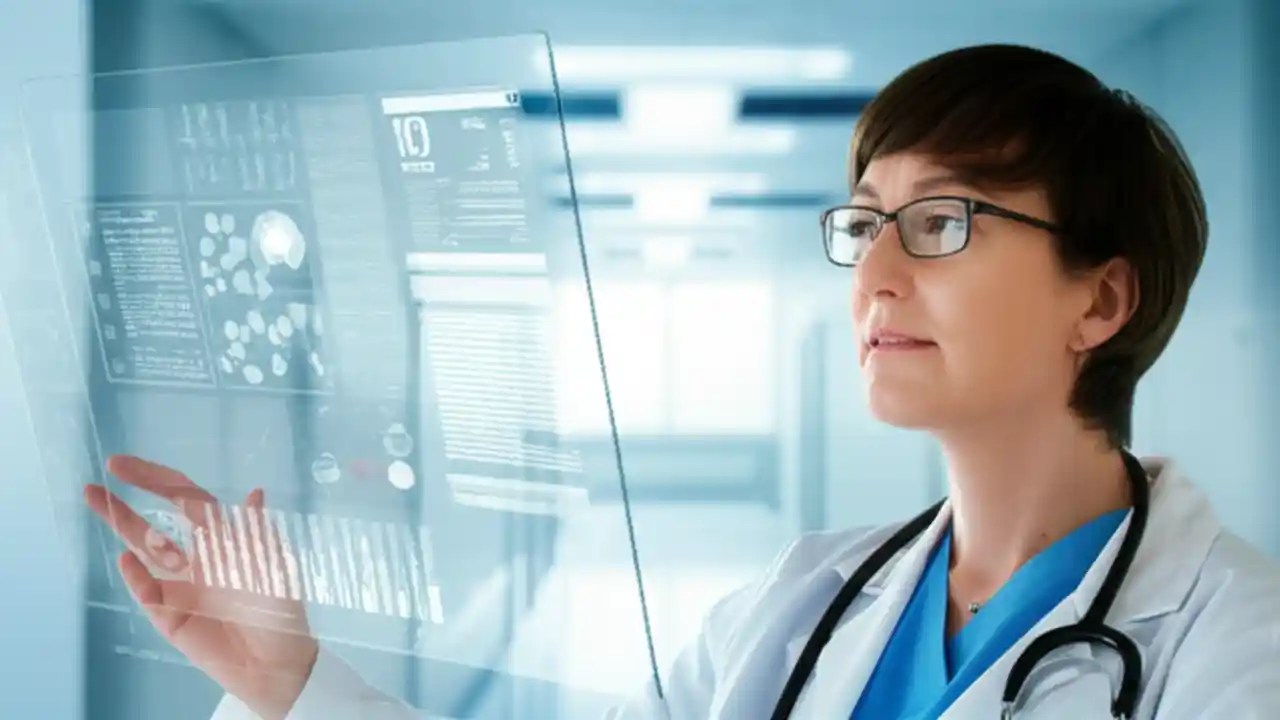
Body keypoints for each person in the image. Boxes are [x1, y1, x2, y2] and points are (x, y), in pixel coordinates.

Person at [85, 43, 1280, 720]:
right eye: (860, 223)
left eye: (940, 222)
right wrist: (289, 679)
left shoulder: (1236, 643)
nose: (871, 274)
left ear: (1101, 300)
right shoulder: (802, 599)